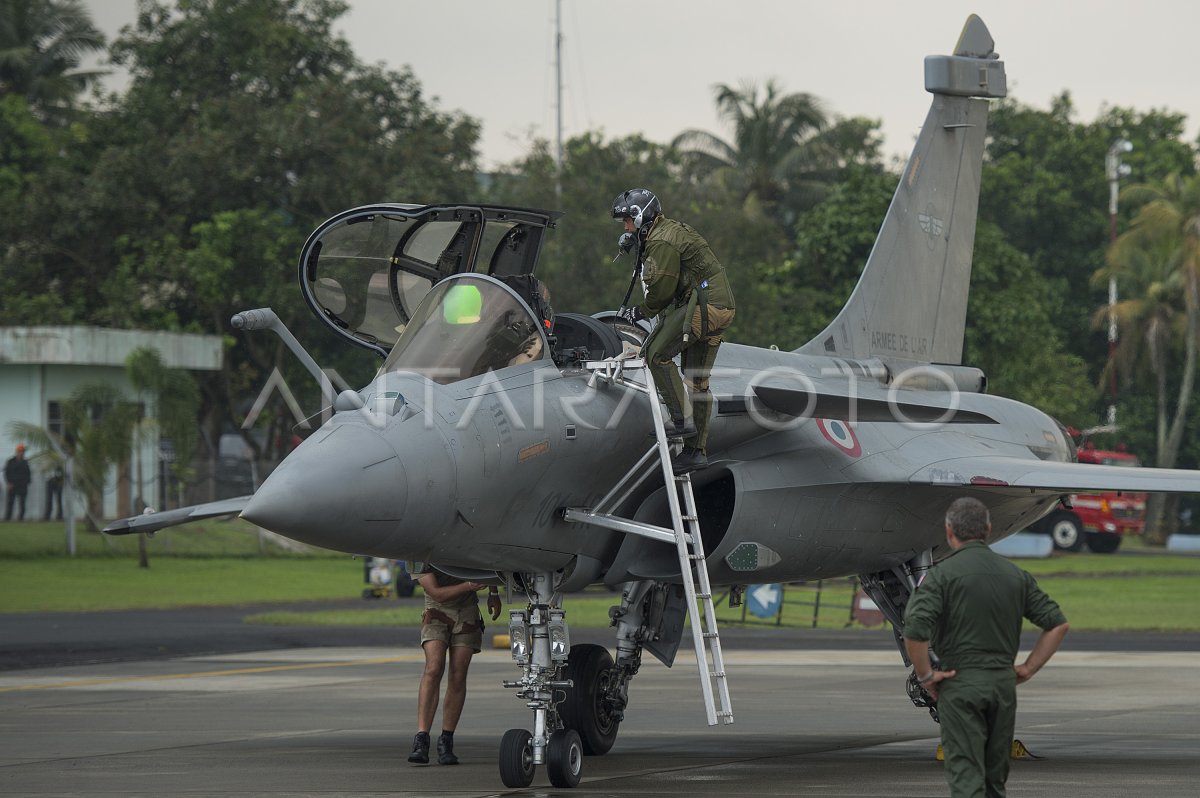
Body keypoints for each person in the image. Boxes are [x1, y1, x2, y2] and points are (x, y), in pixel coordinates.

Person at [904, 497, 1070, 798]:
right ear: (989, 529)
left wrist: (926, 676)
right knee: (995, 781)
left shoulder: (940, 577)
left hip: (959, 684)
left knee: (966, 778)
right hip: (1001, 687)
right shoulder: (1014, 575)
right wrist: (1028, 668)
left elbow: (914, 630)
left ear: (949, 531)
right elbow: (1057, 624)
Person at [611, 188, 736, 474]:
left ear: (640, 217)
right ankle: (695, 452)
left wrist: (638, 312)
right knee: (697, 382)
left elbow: (662, 293)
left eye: (627, 222)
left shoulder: (662, 241)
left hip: (703, 306)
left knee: (655, 355)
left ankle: (681, 421)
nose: (626, 228)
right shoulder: (665, 232)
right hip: (720, 306)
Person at [407, 563, 502, 765]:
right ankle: (421, 739)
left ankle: (446, 741)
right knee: (433, 668)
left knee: (458, 674)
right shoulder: (418, 553)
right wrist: (469, 585)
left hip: (467, 611)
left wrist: (493, 592)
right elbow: (437, 593)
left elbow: (486, 560)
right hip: (436, 610)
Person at [4, 444, 32, 521]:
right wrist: (9, 483)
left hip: (22, 486)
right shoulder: (10, 461)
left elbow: (28, 473)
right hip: (12, 485)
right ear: (17, 452)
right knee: (10, 502)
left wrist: (28, 482)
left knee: (22, 503)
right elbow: (7, 472)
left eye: (23, 451)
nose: (21, 453)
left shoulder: (25, 462)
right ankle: (8, 517)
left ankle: (21, 518)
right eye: (20, 451)